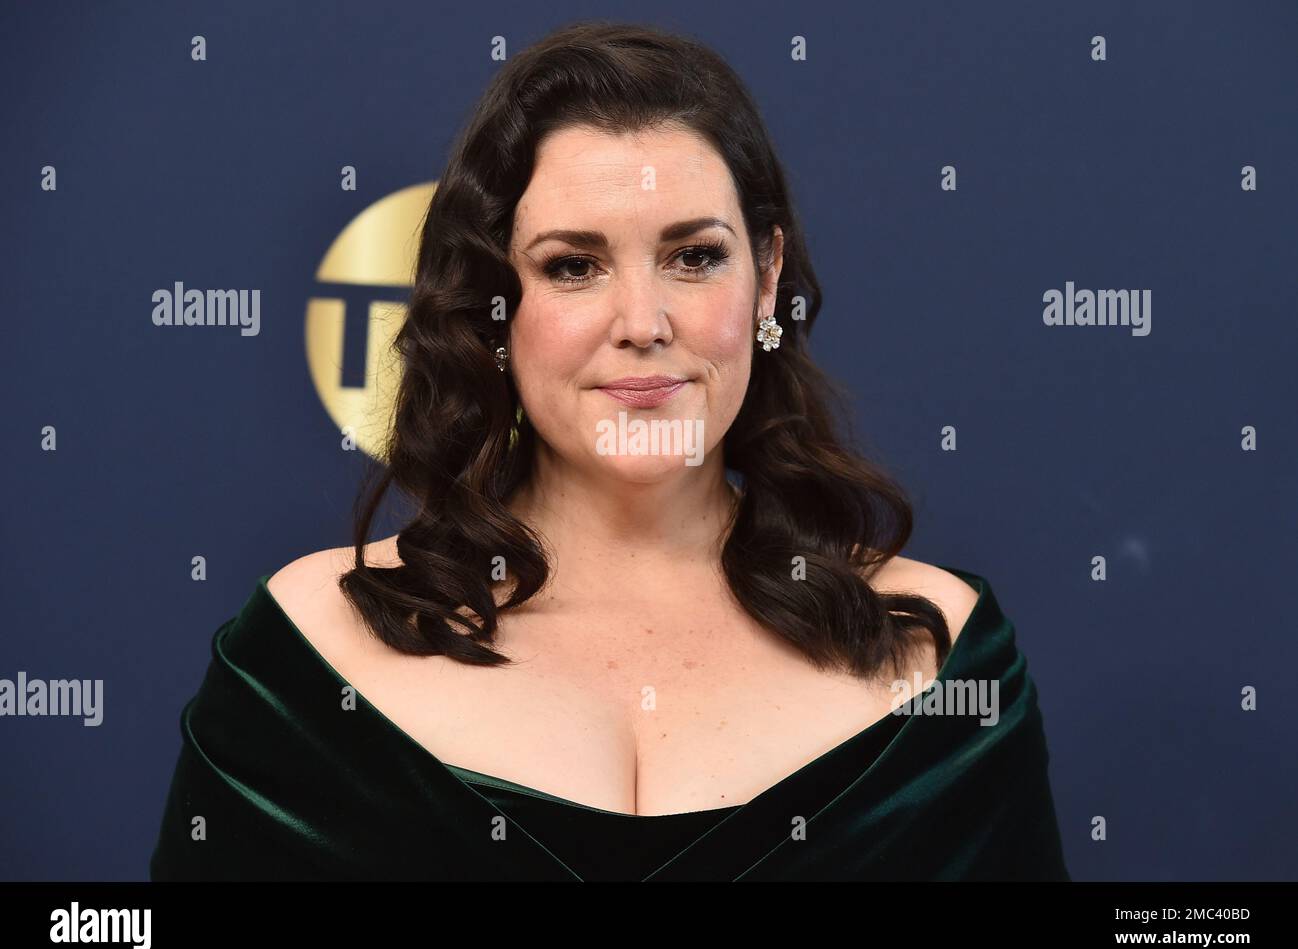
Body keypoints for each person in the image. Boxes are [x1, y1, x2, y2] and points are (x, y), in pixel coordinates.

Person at [150, 20, 1068, 881]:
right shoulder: (312, 657)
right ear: (494, 306)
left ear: (767, 277)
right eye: (572, 267)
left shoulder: (940, 661)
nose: (642, 324)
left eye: (694, 256)